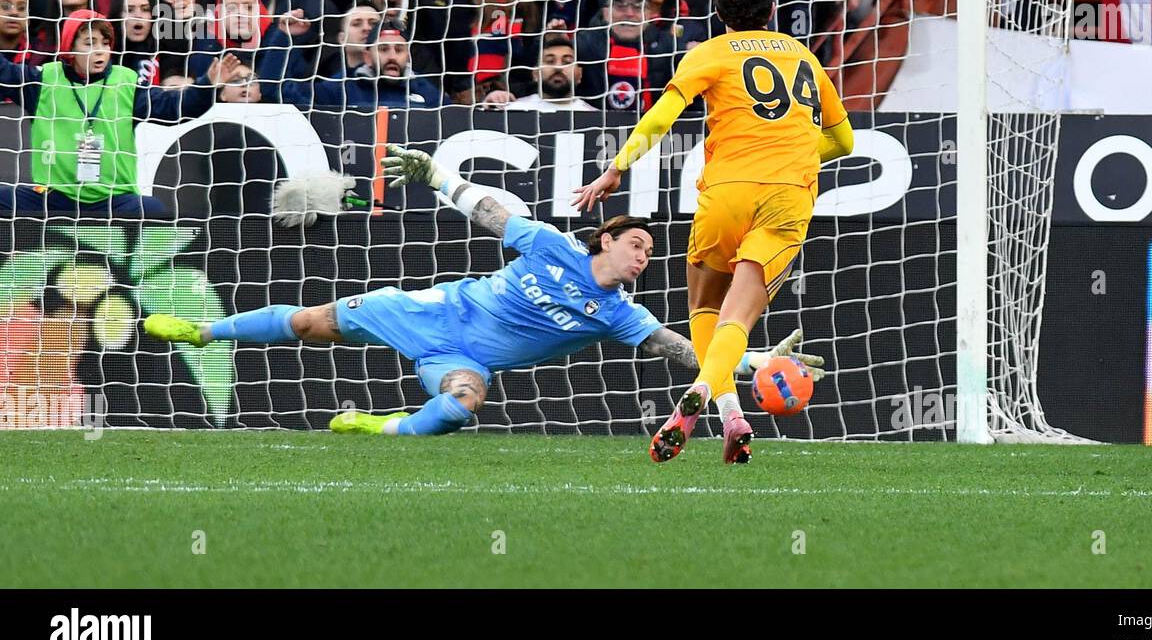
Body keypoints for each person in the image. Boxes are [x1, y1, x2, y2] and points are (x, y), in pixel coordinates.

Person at [144, 154, 825, 438]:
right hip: (431, 312)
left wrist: (749, 360)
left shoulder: (624, 315)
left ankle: (378, 427)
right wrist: (439, 176)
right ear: (605, 241)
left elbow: (683, 351)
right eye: (638, 244)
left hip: (465, 356)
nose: (647, 254)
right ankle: (206, 333)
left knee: (461, 407)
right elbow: (493, 213)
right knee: (309, 321)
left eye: (650, 252)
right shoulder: (556, 244)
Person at [575, 0, 853, 463]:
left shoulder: (710, 52)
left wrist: (616, 167)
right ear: (772, 9)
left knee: (705, 309)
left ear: (719, 13)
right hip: (789, 197)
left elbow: (662, 115)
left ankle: (728, 413)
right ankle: (709, 393)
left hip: (725, 192)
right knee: (738, 318)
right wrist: (795, 156)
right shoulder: (804, 57)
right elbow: (844, 140)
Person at [0, 9, 241, 218]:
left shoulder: (126, 83)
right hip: (54, 195)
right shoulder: (43, 80)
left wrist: (207, 83)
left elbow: (174, 109)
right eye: (89, 43)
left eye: (105, 43)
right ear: (69, 48)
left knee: (154, 210)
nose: (100, 51)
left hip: (113, 199)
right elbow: (4, 72)